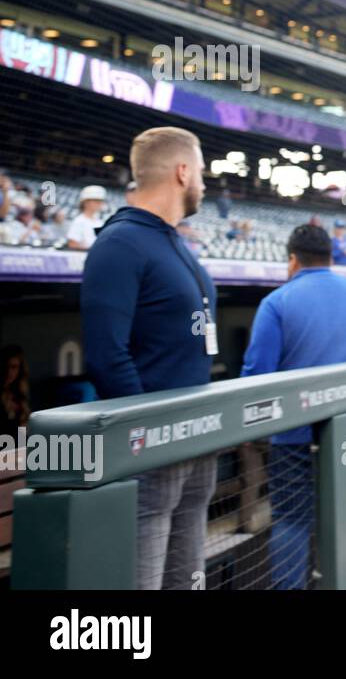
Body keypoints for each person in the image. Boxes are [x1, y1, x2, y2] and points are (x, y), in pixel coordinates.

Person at [81, 126, 218, 590]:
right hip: (152, 444)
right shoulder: (120, 243)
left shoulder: (173, 239)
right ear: (182, 172)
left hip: (194, 434)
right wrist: (146, 430)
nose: (204, 182)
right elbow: (105, 354)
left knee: (187, 576)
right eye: (200, 171)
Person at [240, 224, 346, 589]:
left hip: (296, 434)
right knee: (345, 510)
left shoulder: (278, 301)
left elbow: (256, 375)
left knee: (291, 520)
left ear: (292, 259)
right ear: (330, 256)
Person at [1, 345, 30, 440]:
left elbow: (24, 430)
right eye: (6, 366)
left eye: (14, 367)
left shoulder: (19, 394)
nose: (9, 371)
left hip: (16, 449)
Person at [65, 185, 107, 251]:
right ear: (86, 202)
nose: (100, 203)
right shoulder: (79, 221)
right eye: (96, 200)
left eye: (101, 201)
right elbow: (72, 244)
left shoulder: (99, 221)